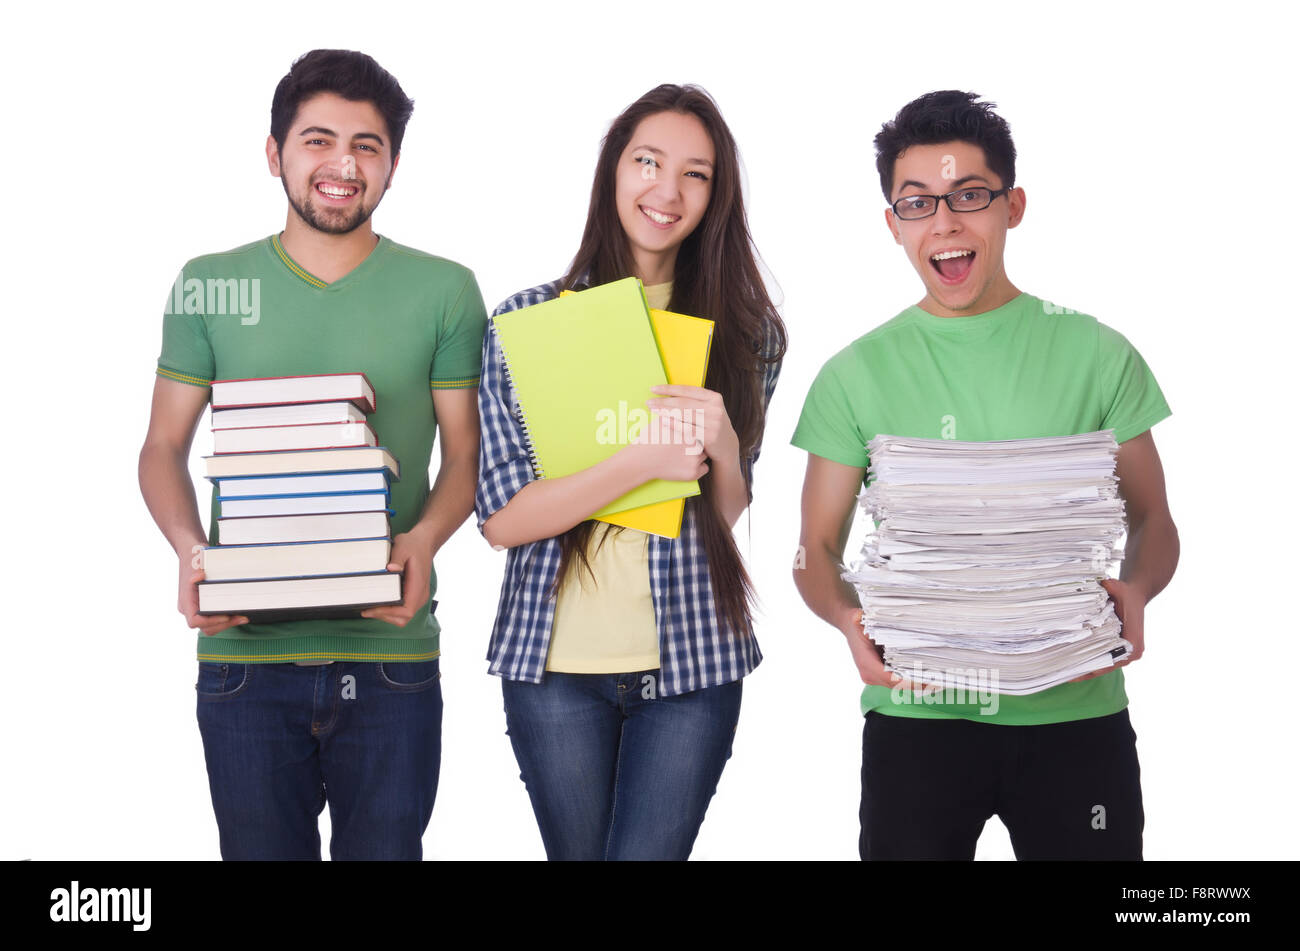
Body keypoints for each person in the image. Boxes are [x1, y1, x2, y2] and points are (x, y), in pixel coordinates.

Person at [791, 90, 1179, 860]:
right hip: (919, 721)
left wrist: (1137, 588)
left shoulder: (1098, 353)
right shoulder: (854, 374)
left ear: (1014, 205)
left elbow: (1155, 521)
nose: (945, 221)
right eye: (918, 202)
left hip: (1076, 715)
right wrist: (846, 620)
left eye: (970, 195)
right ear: (893, 223)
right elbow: (813, 548)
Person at [138, 49, 486, 860]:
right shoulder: (207, 285)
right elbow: (162, 447)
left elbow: (464, 458)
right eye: (318, 140)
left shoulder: (445, 290)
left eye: (367, 145)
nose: (342, 164)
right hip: (246, 658)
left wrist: (424, 540)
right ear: (275, 152)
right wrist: (192, 551)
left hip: (393, 653)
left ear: (393, 165)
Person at [476, 84, 786, 860]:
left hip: (692, 663)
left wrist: (719, 443)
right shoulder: (526, 322)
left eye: (696, 174)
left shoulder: (748, 335)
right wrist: (639, 460)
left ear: (716, 196)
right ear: (613, 170)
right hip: (554, 667)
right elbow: (503, 518)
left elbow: (729, 507)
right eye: (647, 161)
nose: (667, 190)